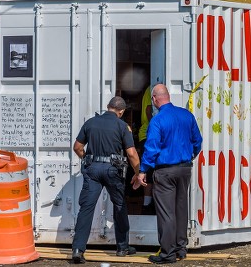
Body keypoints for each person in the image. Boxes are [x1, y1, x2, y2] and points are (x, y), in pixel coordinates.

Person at [136, 84, 203, 264]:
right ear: (168, 96)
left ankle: (167, 253)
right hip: (184, 168)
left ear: (155, 99)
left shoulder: (157, 121)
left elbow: (151, 148)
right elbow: (198, 140)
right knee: (181, 208)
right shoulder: (186, 115)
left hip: (165, 171)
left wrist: (143, 171)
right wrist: (191, 155)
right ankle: (181, 248)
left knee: (166, 212)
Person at [71, 96, 141, 264]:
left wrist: (87, 160)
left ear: (108, 107)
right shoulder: (122, 126)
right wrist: (138, 172)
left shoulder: (91, 122)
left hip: (93, 169)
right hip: (113, 170)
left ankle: (78, 249)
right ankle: (122, 248)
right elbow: (131, 153)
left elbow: (77, 147)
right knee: (119, 205)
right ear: (121, 111)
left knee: (86, 208)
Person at [138, 86, 155, 214]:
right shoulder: (152, 89)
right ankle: (147, 205)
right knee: (150, 172)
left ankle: (147, 204)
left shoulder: (147, 89)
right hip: (148, 134)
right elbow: (149, 110)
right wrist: (156, 128)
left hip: (145, 134)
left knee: (148, 170)